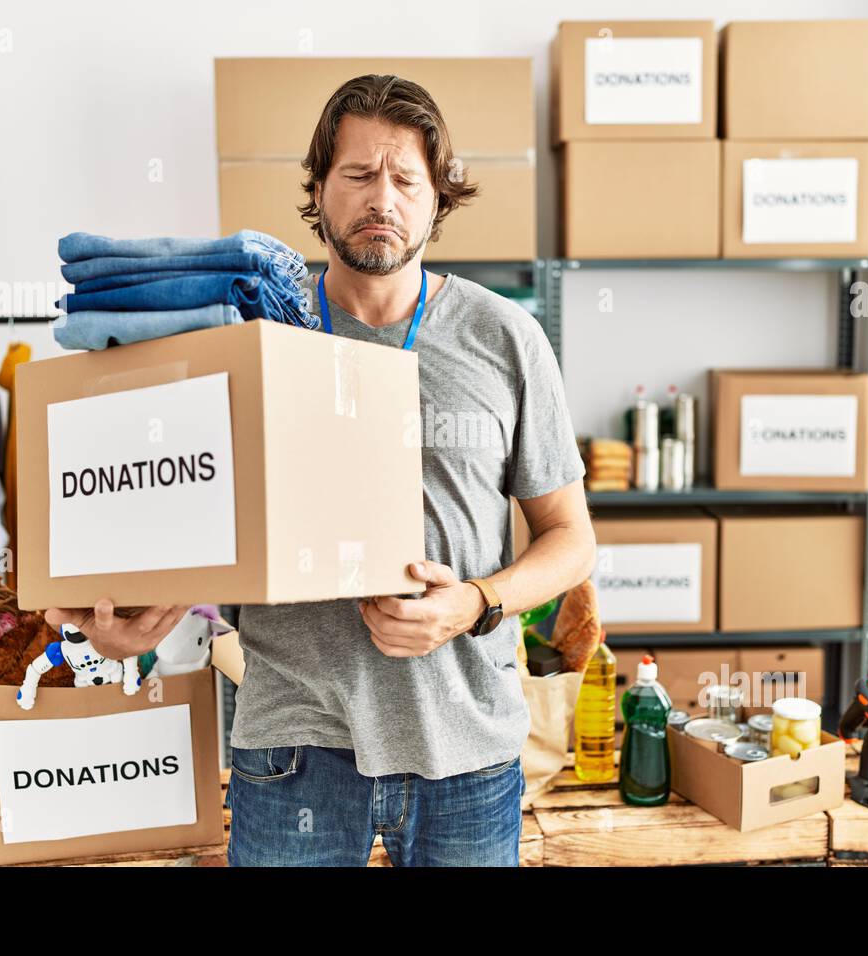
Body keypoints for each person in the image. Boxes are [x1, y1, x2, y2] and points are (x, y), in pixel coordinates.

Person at [45, 73, 595, 866]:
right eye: (359, 175)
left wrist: (474, 603)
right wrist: (131, 614)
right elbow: (185, 505)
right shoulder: (249, 335)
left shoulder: (507, 336)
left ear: (438, 197)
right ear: (318, 189)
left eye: (406, 179)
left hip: (466, 752)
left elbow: (571, 539)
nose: (384, 198)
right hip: (292, 750)